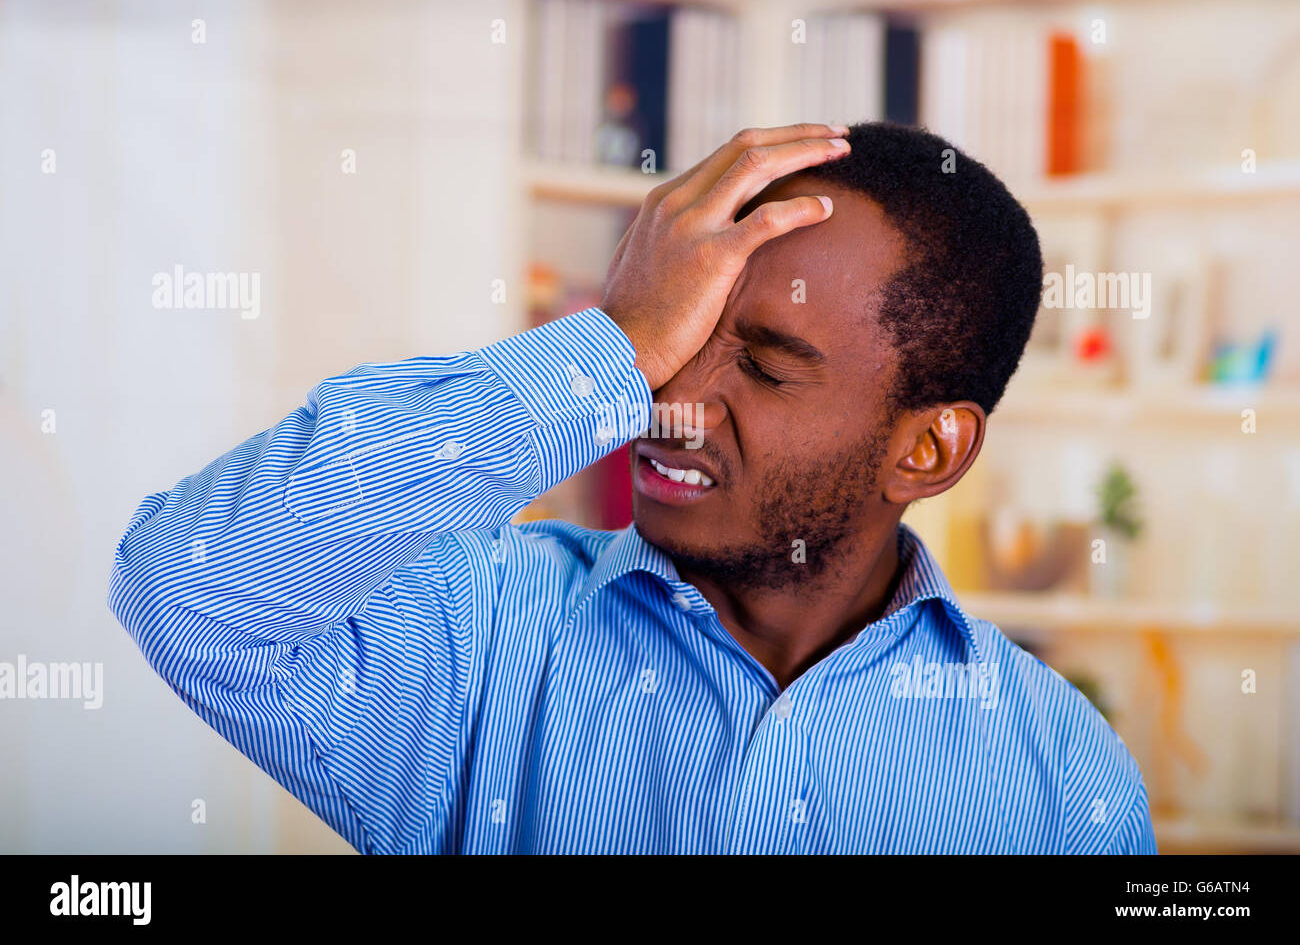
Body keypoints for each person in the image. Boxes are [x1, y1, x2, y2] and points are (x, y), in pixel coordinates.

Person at [108, 122, 1157, 854]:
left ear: (925, 452)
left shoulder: (1059, 774)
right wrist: (611, 347)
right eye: (679, 332)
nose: (672, 396)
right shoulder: (479, 635)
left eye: (765, 363)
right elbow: (188, 585)